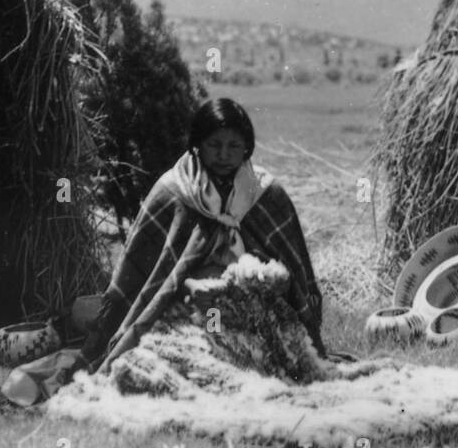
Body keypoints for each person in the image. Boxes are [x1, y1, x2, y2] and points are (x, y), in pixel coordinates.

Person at [80, 98, 330, 372]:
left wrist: (258, 282)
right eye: (214, 145)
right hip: (182, 308)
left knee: (272, 357)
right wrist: (188, 286)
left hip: (252, 311)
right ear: (197, 145)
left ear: (247, 148)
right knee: (177, 360)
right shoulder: (174, 192)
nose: (224, 155)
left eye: (234, 146)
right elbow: (151, 277)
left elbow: (292, 273)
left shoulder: (265, 194)